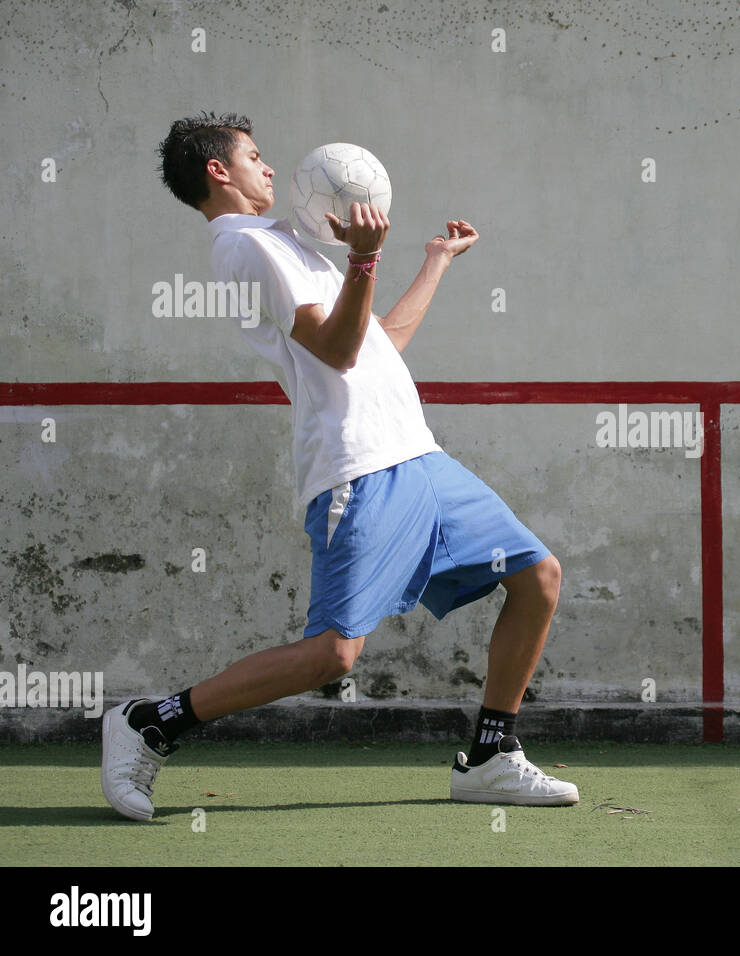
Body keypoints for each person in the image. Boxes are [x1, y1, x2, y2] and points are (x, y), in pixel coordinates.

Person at [101, 112, 577, 820]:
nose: (270, 167)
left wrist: (433, 263)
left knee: (536, 576)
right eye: (255, 157)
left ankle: (489, 756)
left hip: (419, 458)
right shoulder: (245, 248)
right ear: (217, 171)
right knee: (332, 655)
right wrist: (362, 262)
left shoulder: (289, 243)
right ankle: (152, 721)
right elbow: (335, 351)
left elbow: (377, 341)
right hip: (359, 468)